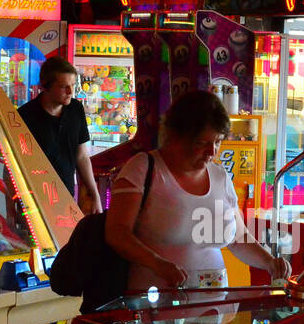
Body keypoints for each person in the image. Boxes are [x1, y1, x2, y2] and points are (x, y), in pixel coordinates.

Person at [106, 90, 290, 291]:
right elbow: (117, 233)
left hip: (212, 309)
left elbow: (238, 239)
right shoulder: (143, 169)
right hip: (154, 305)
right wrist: (158, 264)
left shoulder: (220, 176)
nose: (211, 151)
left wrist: (270, 263)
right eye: (201, 143)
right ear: (175, 136)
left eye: (218, 142)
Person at [16, 57, 102, 214]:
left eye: (73, 85)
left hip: (67, 196)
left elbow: (82, 156)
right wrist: (11, 207)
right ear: (46, 87)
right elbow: (15, 165)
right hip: (33, 201)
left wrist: (95, 195)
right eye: (64, 87)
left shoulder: (76, 109)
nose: (70, 92)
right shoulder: (25, 116)